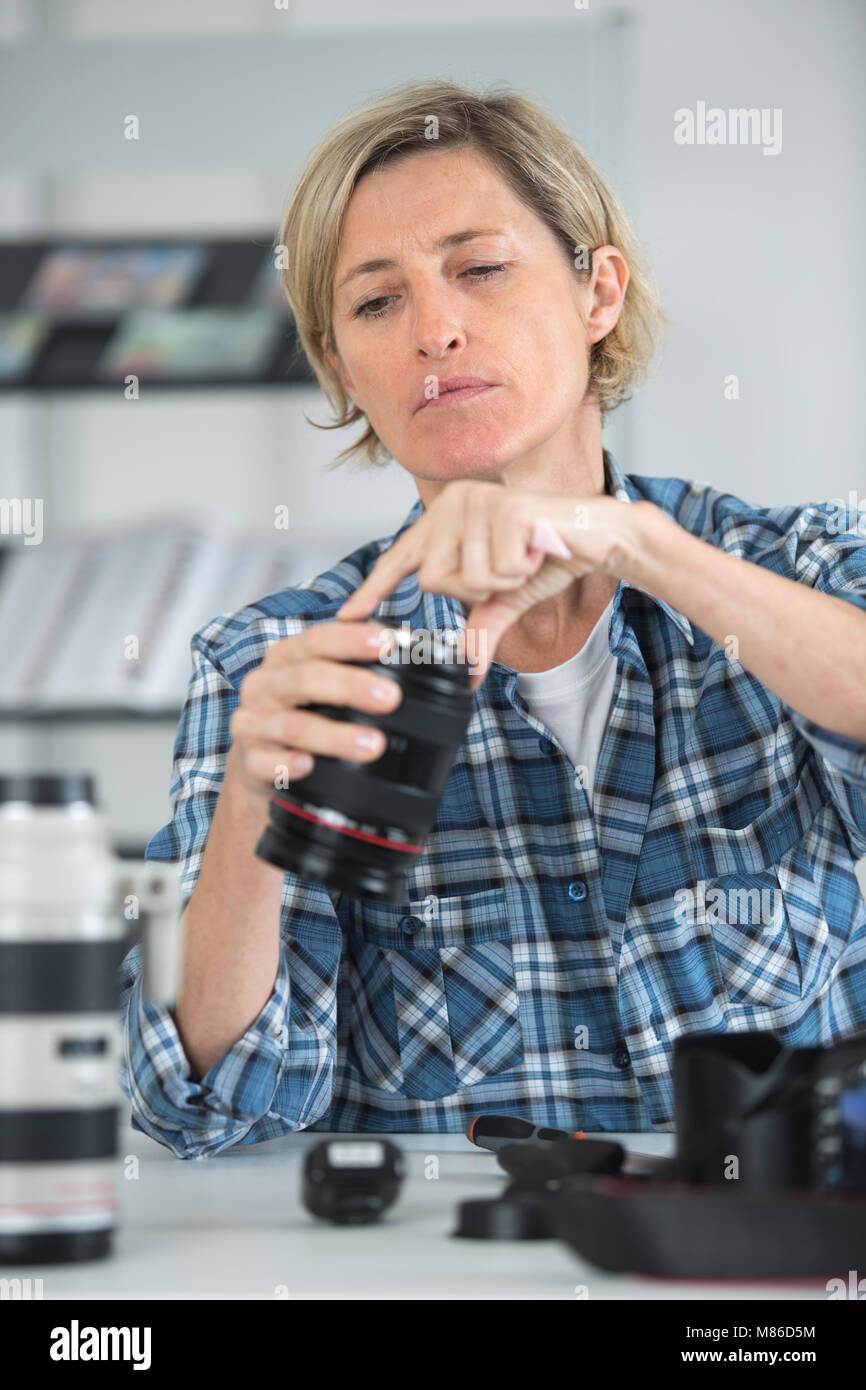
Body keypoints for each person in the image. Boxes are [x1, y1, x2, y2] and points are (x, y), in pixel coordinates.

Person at [119, 80, 866, 1159]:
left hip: (766, 1278)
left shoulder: (786, 566)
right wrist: (251, 816)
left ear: (596, 291)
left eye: (479, 269)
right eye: (376, 303)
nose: (436, 328)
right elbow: (205, 1106)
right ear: (341, 367)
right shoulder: (279, 664)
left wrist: (634, 543)